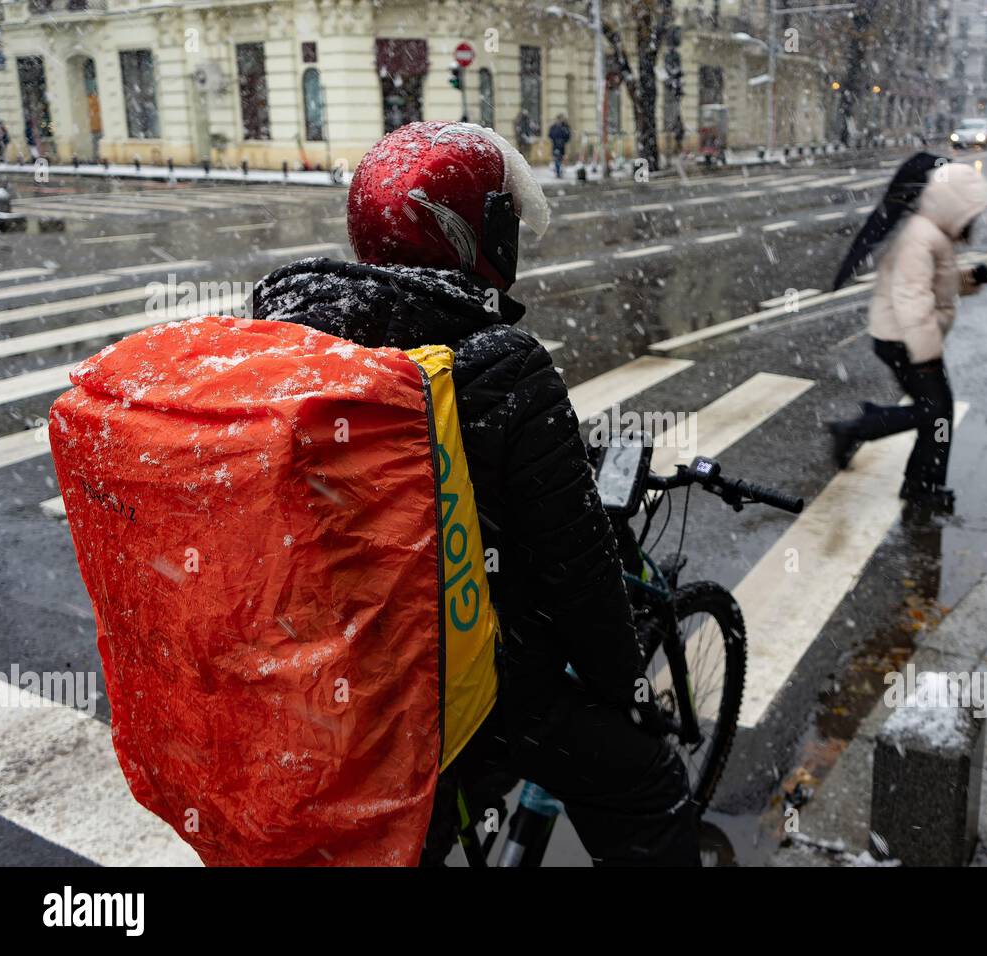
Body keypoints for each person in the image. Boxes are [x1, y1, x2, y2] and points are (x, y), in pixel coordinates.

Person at [251, 121, 701, 866]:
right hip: (476, 688)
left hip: (341, 680)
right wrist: (624, 685)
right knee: (647, 785)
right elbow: (580, 573)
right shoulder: (501, 364)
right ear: (479, 235)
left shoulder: (308, 344)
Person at [825, 159, 987, 512]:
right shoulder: (920, 237)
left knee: (934, 411)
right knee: (936, 412)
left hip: (905, 338)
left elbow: (936, 285)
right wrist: (928, 355)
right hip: (901, 339)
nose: (973, 222)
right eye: (970, 213)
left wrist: (971, 279)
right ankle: (865, 436)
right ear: (952, 207)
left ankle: (914, 477)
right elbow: (911, 299)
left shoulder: (932, 234)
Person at [549, 114, 571, 178]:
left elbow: (568, 135)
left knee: (561, 159)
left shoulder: (565, 126)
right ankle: (558, 172)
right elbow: (550, 135)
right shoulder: (554, 127)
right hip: (556, 145)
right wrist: (555, 139)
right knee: (557, 159)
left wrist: (563, 140)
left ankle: (560, 171)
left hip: (562, 146)